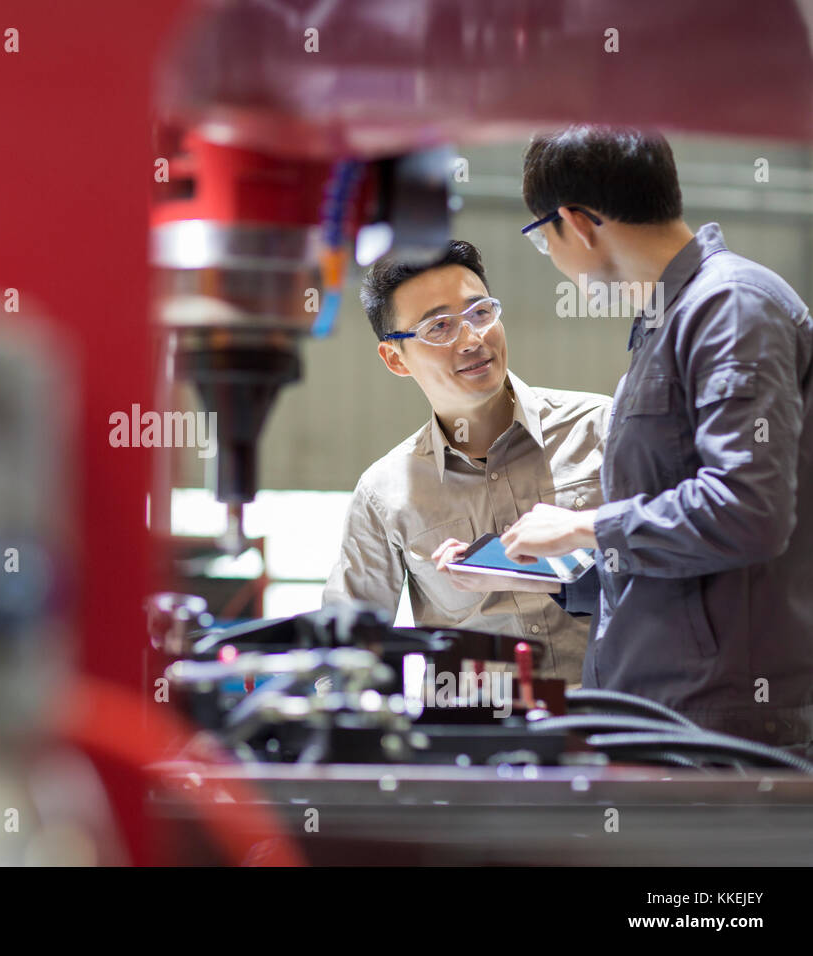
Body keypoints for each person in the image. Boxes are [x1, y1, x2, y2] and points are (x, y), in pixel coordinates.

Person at [445, 125, 813, 750]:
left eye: (544, 241)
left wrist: (583, 528)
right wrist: (542, 572)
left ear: (577, 224)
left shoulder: (730, 309)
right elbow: (677, 557)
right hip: (659, 708)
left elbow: (747, 512)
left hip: (725, 724)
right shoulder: (666, 324)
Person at [323, 240, 610, 683]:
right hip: (478, 744)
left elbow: (677, 564)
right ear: (395, 358)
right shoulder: (385, 493)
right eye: (439, 327)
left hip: (618, 732)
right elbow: (348, 652)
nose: (472, 339)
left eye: (480, 313)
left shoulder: (602, 429)